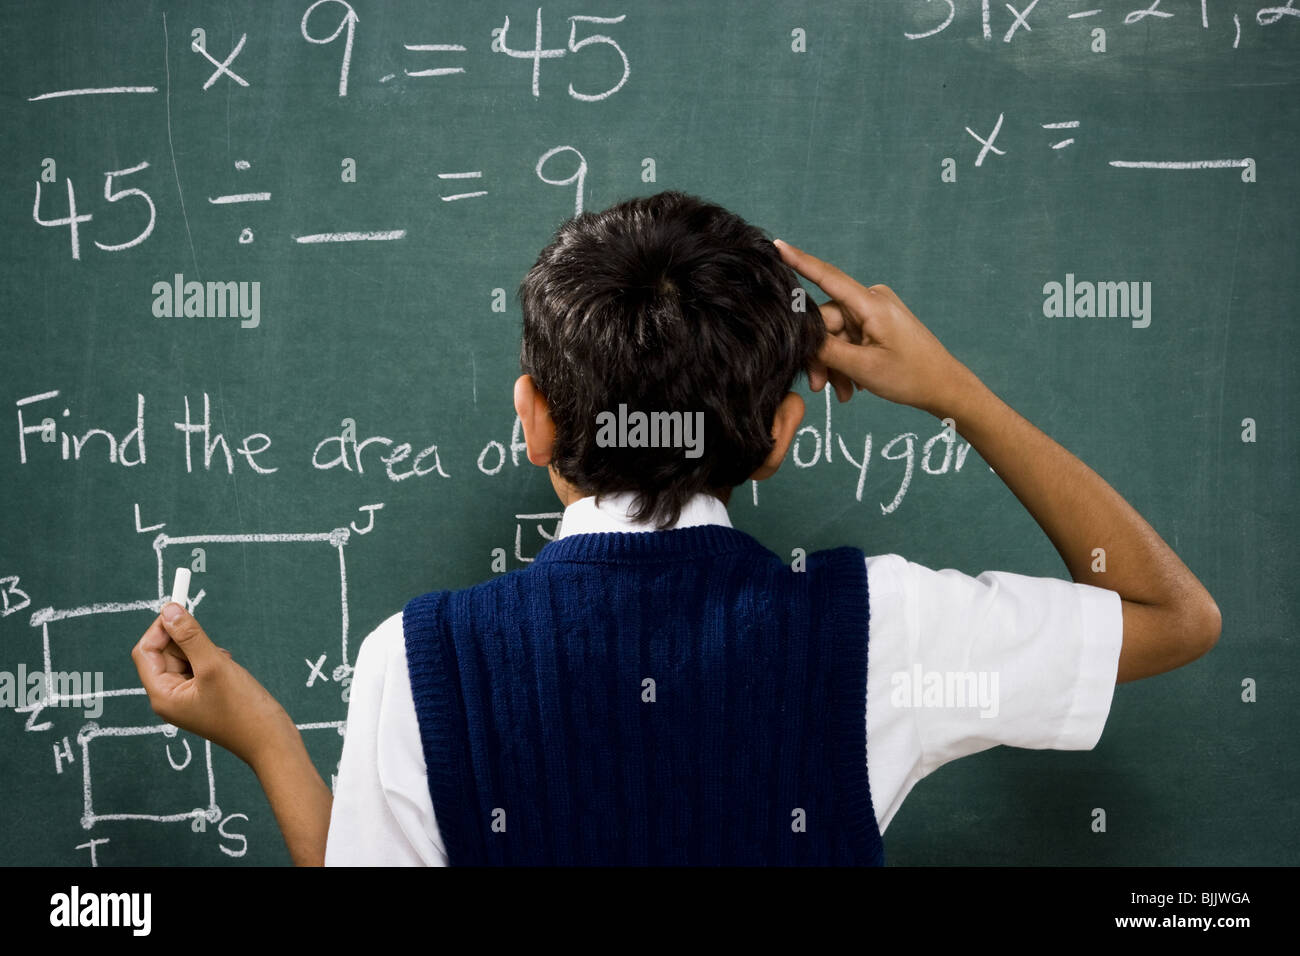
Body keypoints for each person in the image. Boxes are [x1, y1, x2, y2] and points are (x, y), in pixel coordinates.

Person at [132, 191, 1220, 866]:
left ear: (533, 415)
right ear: (781, 434)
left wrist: (271, 740)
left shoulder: (413, 664)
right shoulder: (876, 628)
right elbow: (1171, 612)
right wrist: (957, 395)